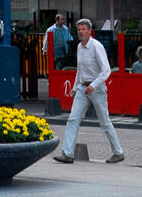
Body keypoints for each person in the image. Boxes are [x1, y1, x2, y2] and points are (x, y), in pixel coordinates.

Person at [53, 19, 125, 165]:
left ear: (90, 31)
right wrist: (74, 88)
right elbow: (79, 70)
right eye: (79, 29)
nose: (81, 32)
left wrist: (94, 84)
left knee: (104, 122)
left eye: (84, 29)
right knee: (73, 119)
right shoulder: (79, 47)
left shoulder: (96, 46)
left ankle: (118, 152)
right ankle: (67, 153)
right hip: (82, 87)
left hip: (96, 88)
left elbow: (106, 70)